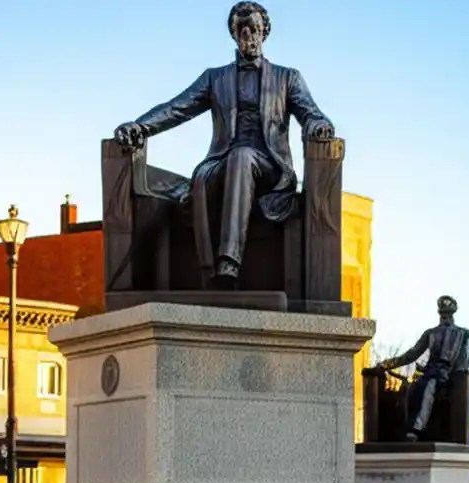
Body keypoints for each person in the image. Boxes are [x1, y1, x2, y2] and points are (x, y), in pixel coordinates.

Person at [112, 2, 335, 288]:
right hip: (222, 164)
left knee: (242, 157)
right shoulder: (215, 78)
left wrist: (319, 125)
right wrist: (140, 126)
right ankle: (207, 268)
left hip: (270, 169)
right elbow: (177, 108)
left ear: (265, 31)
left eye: (253, 29)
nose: (248, 37)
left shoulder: (286, 78)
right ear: (233, 35)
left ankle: (229, 263)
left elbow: (310, 113)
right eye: (241, 31)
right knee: (207, 173)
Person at [377, 295, 469, 440]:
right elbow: (411, 355)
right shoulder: (431, 333)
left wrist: (457, 376)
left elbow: (468, 362)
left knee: (429, 387)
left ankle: (416, 427)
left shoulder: (464, 334)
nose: (445, 319)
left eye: (447, 315)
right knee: (411, 388)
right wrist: (387, 364)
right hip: (429, 372)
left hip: (448, 376)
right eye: (443, 315)